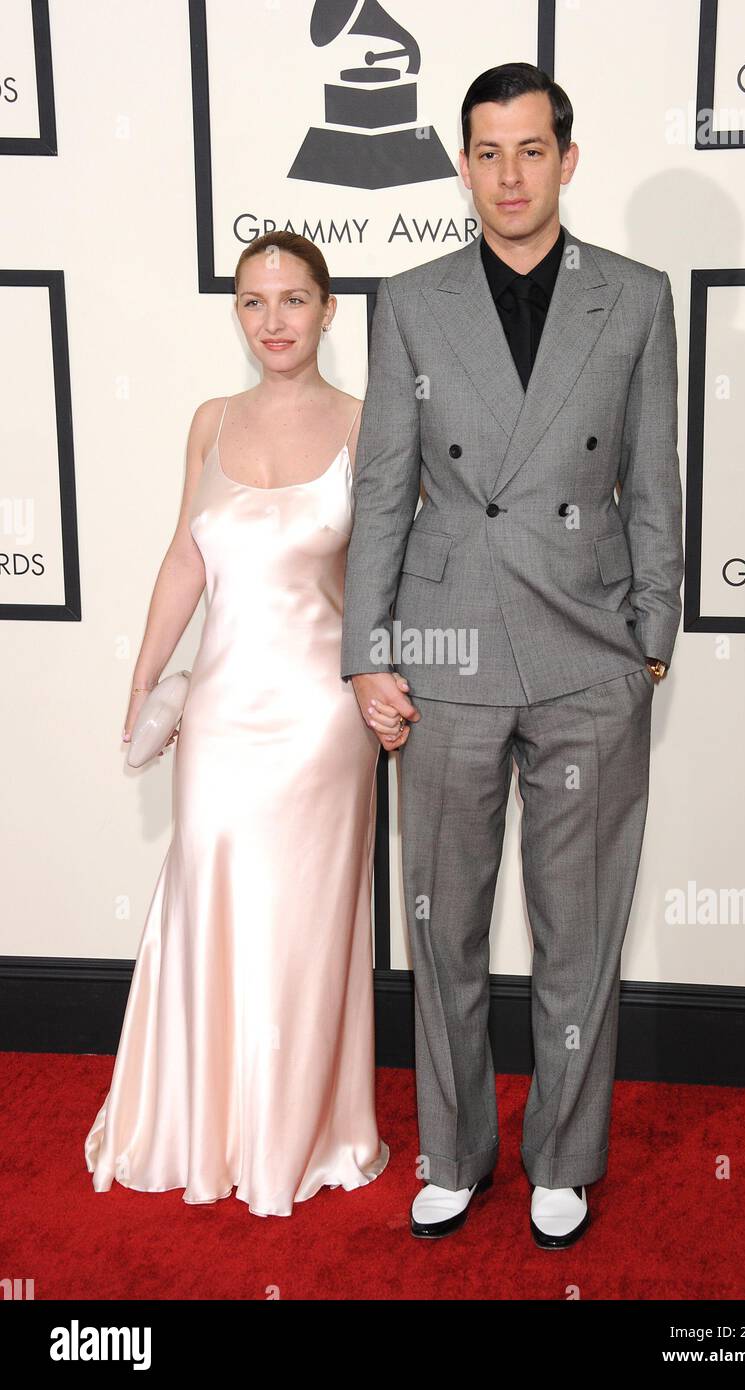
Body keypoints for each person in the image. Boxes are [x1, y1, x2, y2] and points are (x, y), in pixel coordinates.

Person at [340, 63, 684, 1248]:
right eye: (485, 153)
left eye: (530, 150)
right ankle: (452, 1146)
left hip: (590, 653)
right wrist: (367, 652)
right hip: (443, 650)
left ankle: (562, 1157)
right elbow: (383, 487)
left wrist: (649, 643)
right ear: (462, 165)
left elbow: (653, 482)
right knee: (442, 925)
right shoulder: (413, 299)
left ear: (568, 159)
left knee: (578, 929)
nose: (508, 175)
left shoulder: (633, 297)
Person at [85, 231, 393, 1217]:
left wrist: (391, 676)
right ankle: (203, 1122)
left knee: (303, 923)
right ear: (237, 313)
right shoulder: (209, 420)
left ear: (328, 309)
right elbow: (187, 557)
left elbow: (397, 572)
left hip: (319, 719)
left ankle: (297, 1133)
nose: (273, 321)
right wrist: (145, 679)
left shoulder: (367, 422)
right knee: (209, 899)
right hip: (219, 710)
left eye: (293, 301)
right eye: (255, 303)